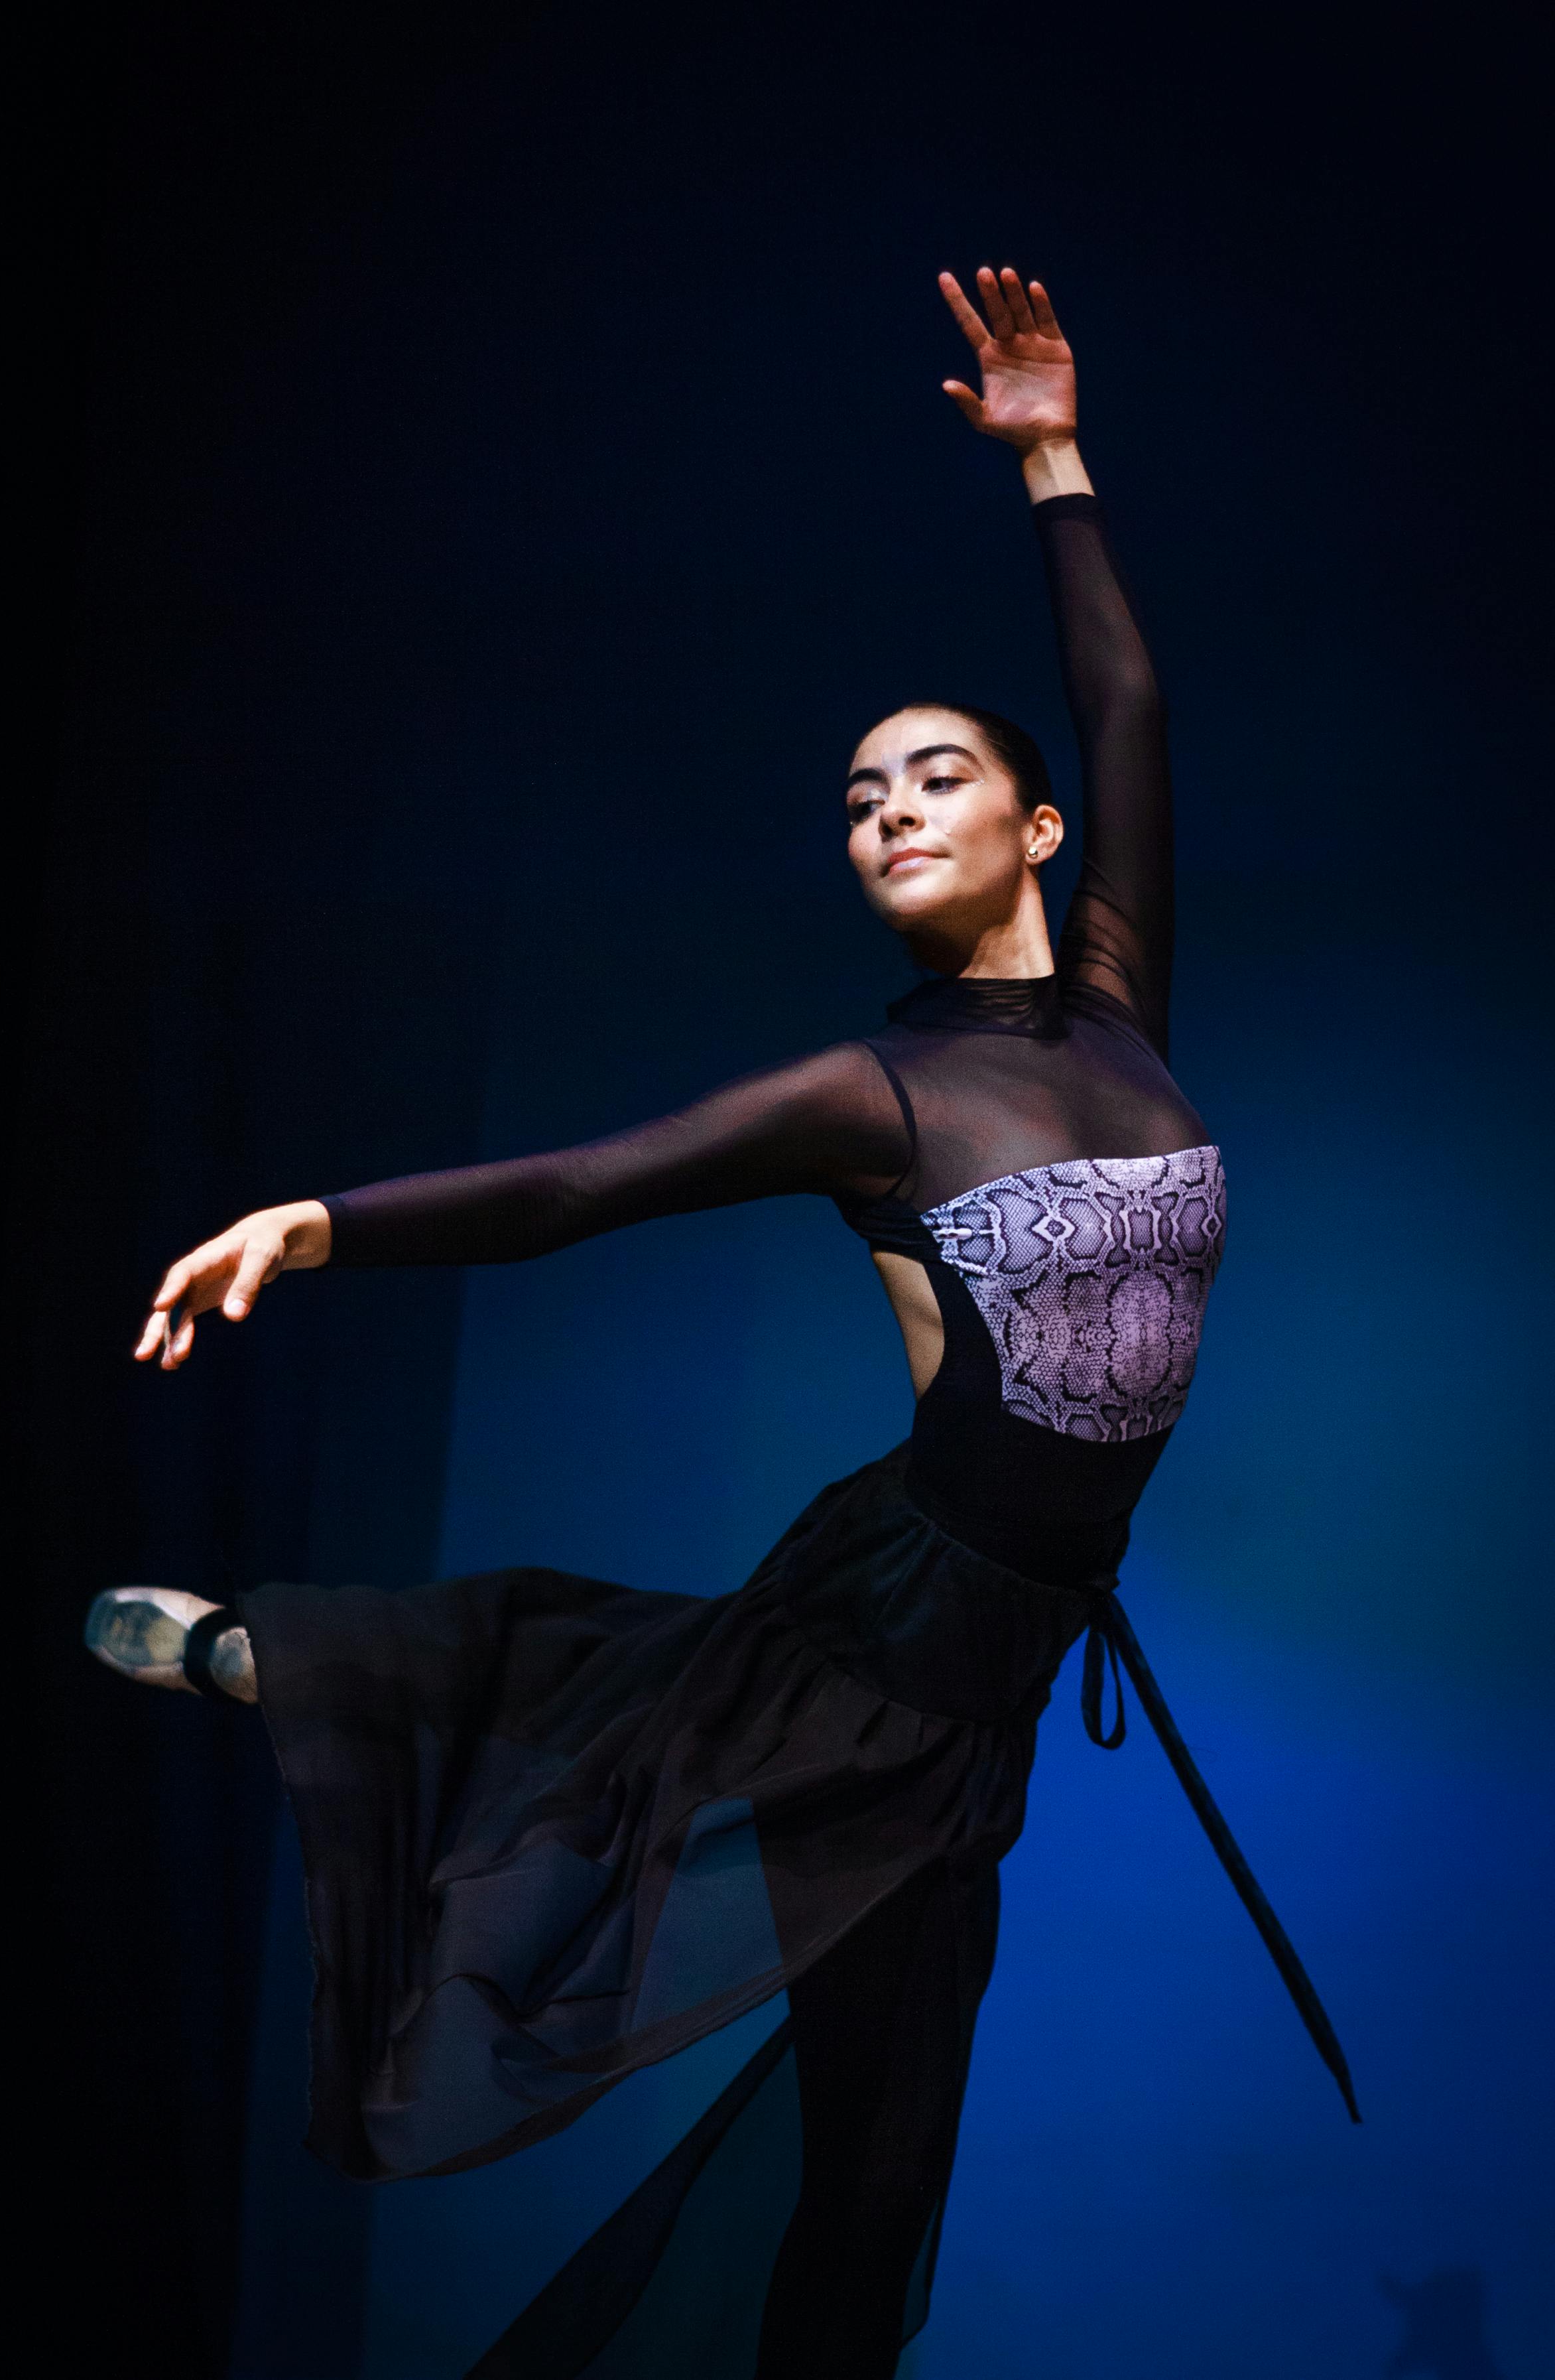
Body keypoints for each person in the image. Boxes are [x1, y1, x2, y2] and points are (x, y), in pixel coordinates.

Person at [88, 269, 1355, 2380]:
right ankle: (273, 1655)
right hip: (883, 1622)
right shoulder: (878, 1092)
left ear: (1033, 828)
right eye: (857, 799)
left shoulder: (1124, 1003)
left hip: (993, 1700)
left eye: (930, 778)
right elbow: (585, 1186)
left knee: (875, 2174)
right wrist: (315, 1228)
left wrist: (1051, 456)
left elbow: (1126, 705)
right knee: (607, 1775)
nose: (885, 813)